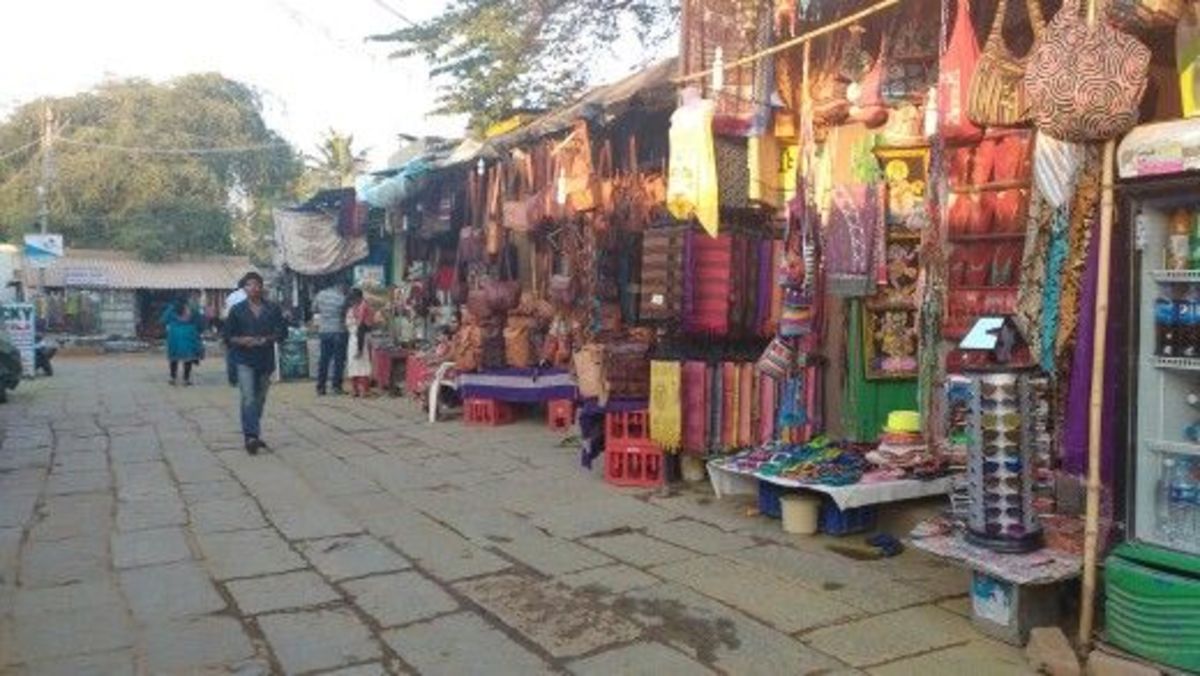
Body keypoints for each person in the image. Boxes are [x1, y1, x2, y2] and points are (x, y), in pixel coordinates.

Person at [223, 272, 286, 454]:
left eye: (257, 284)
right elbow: (227, 336)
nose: (254, 288)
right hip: (244, 359)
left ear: (262, 287)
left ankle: (252, 431)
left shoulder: (272, 309)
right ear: (244, 288)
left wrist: (266, 340)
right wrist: (242, 340)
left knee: (259, 399)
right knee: (248, 397)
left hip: (265, 359)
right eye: (249, 285)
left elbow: (282, 333)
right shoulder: (237, 310)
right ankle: (251, 436)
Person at [313, 281, 348, 395]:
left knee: (324, 360)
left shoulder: (320, 295)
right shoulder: (342, 297)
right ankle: (336, 387)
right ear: (339, 286)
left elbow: (314, 309)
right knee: (338, 361)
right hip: (338, 331)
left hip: (324, 331)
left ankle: (321, 387)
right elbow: (345, 313)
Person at [161, 296, 205, 386]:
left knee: (173, 357)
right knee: (188, 358)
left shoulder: (171, 308)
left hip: (174, 334)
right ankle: (186, 379)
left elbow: (163, 320)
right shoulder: (192, 308)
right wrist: (199, 332)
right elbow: (200, 322)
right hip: (189, 333)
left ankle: (173, 378)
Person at [344, 288, 373, 397]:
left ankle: (361, 390)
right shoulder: (358, 308)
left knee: (359, 364)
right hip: (356, 339)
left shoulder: (361, 308)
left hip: (358, 339)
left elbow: (361, 327)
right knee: (358, 364)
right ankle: (358, 390)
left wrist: (359, 348)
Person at [222, 279, 249, 386]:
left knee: (231, 353)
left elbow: (225, 313)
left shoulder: (231, 296)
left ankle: (233, 379)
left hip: (231, 326)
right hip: (246, 327)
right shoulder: (248, 296)